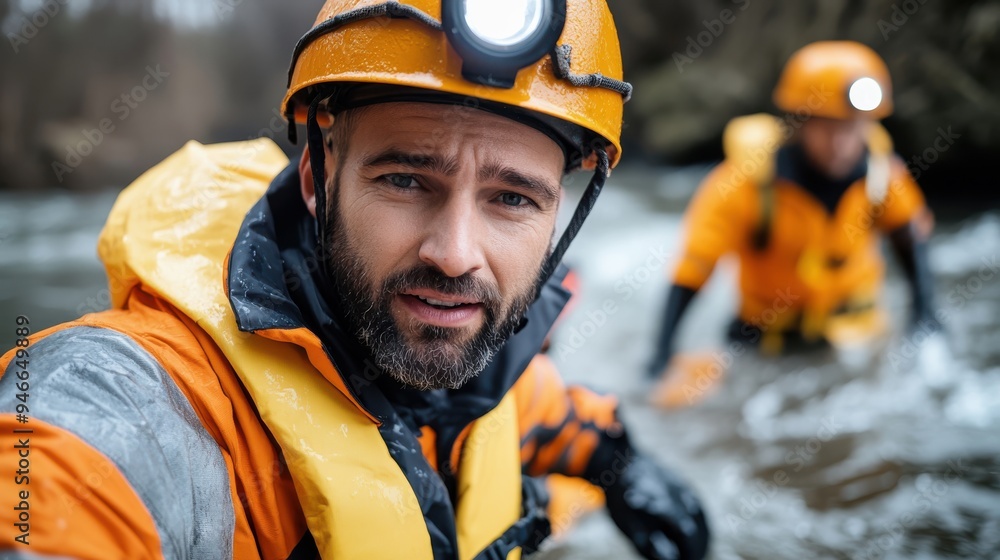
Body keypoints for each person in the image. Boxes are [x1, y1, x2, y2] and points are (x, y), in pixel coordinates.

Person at [0, 1, 709, 559]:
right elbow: (65, 468)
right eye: (405, 179)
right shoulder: (140, 399)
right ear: (317, 180)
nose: (456, 254)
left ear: (558, 219)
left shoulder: (492, 375)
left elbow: (545, 410)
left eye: (513, 198)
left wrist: (622, 463)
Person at [648, 41, 937, 384]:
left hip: (857, 338)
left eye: (854, 126)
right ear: (798, 123)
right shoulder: (743, 182)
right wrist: (662, 355)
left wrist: (926, 319)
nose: (841, 143)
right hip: (765, 346)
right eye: (827, 127)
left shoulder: (882, 176)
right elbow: (693, 270)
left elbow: (911, 238)